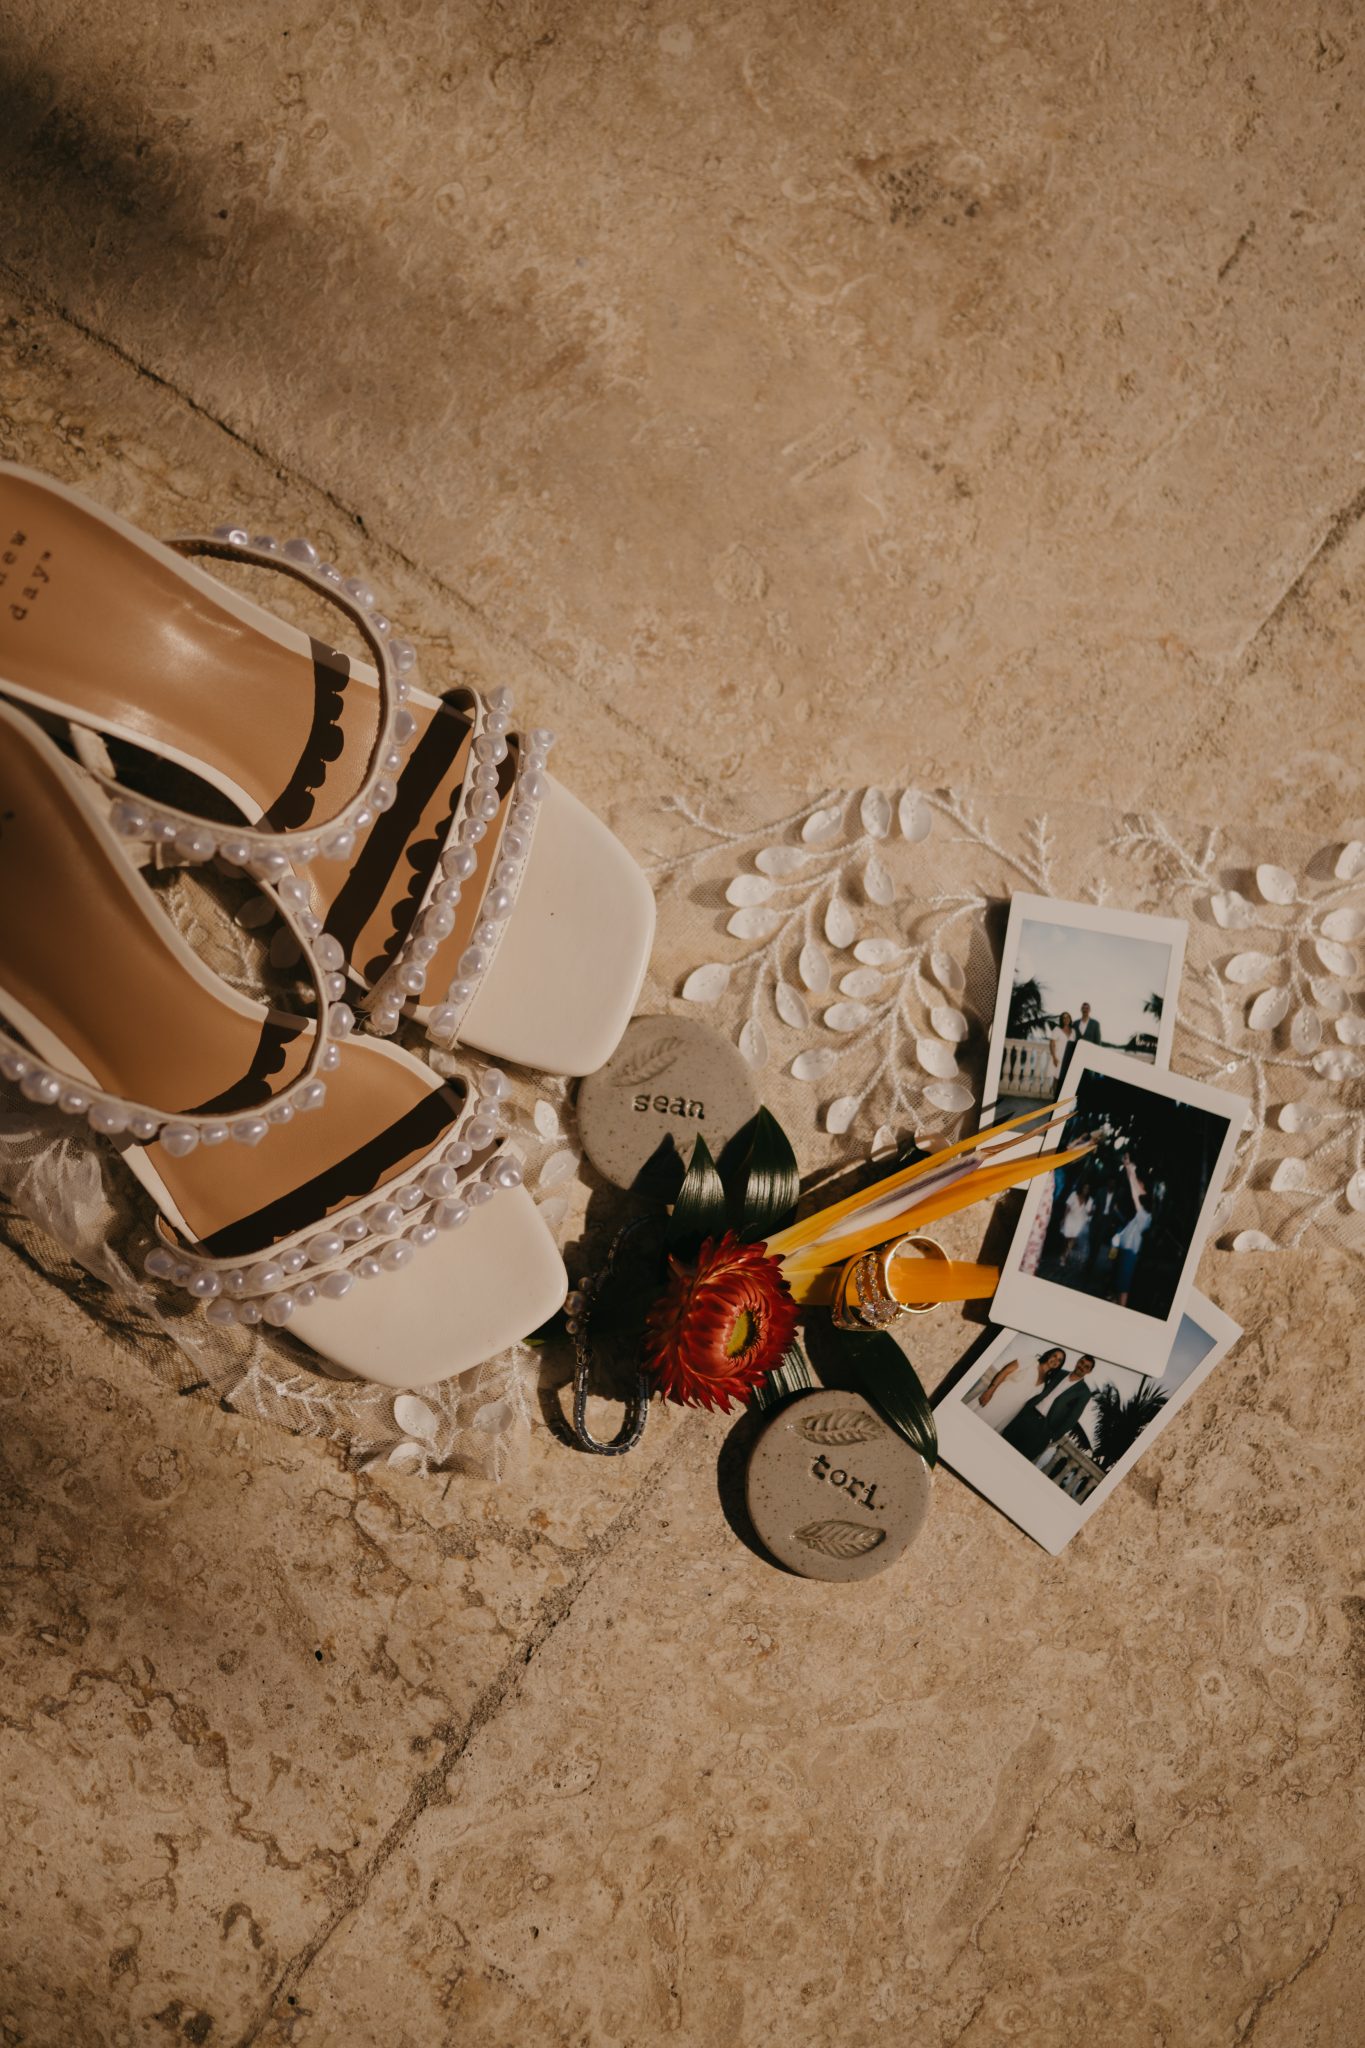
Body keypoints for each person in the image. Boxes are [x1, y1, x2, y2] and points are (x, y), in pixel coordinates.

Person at [1002, 1354, 1097, 1462]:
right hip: (1027, 1416)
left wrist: (1053, 1437)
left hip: (1043, 1431)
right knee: (1002, 1444)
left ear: (1089, 1371)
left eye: (1086, 1367)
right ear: (1077, 1361)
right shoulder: (1059, 1373)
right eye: (1082, 1362)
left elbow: (1072, 1418)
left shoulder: (1084, 1392)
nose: (1082, 1367)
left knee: (1019, 1461)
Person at [972, 1347, 1067, 1433]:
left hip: (1010, 1412)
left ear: (1059, 1365)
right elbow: (1006, 1370)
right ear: (1049, 1355)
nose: (1055, 1360)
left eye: (1059, 1360)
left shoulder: (1045, 1383)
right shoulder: (1031, 1361)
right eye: (1054, 1356)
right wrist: (990, 1391)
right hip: (996, 1399)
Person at [1110, 1154, 1152, 1305]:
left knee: (1124, 1286)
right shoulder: (1141, 1214)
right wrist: (1129, 1168)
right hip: (1125, 1249)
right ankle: (1116, 1302)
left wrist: (1130, 1169)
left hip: (1130, 1252)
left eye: (1141, 1185)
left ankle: (1121, 1308)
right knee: (1120, 1281)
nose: (1137, 1186)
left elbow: (1135, 1192)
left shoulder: (1144, 1215)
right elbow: (1134, 1188)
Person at [1059, 1179, 1094, 1271]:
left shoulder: (1090, 1200)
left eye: (1088, 1189)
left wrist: (1092, 1211)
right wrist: (1064, 1218)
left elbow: (1089, 1213)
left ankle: (1064, 1257)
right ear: (1082, 1187)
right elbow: (1067, 1207)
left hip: (1080, 1222)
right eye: (1085, 1187)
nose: (1086, 1190)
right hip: (1070, 1218)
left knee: (1073, 1239)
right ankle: (1064, 1252)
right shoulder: (1074, 1194)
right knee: (1066, 1239)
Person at [1048, 1010, 1074, 1090]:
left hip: (1068, 1059)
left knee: (1064, 1080)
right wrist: (1054, 1057)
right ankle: (1054, 1098)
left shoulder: (1073, 1032)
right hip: (1058, 1058)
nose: (1066, 1019)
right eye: (1064, 1018)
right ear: (1061, 1020)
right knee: (1056, 1078)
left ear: (1070, 1019)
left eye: (1067, 1017)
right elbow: (1051, 1044)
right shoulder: (1057, 1029)